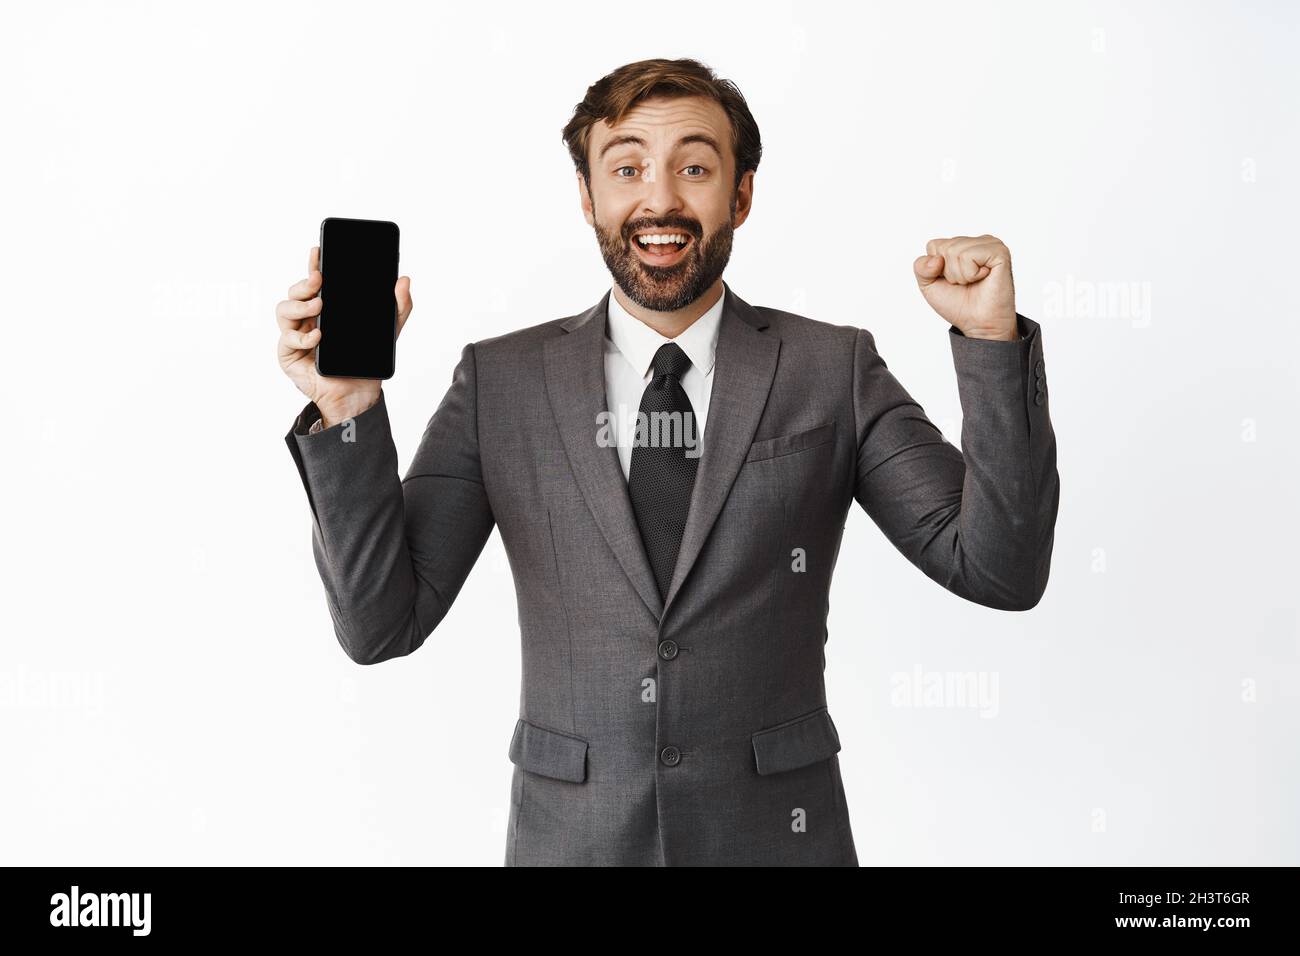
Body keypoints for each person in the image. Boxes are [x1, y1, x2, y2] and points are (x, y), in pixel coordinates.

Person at [275, 57, 1059, 866]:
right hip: (571, 843)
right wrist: (348, 411)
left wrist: (992, 346)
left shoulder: (832, 369)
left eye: (693, 167)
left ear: (741, 195)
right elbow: (379, 625)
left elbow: (999, 570)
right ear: (587, 197)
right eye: (626, 169)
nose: (660, 200)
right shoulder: (499, 383)